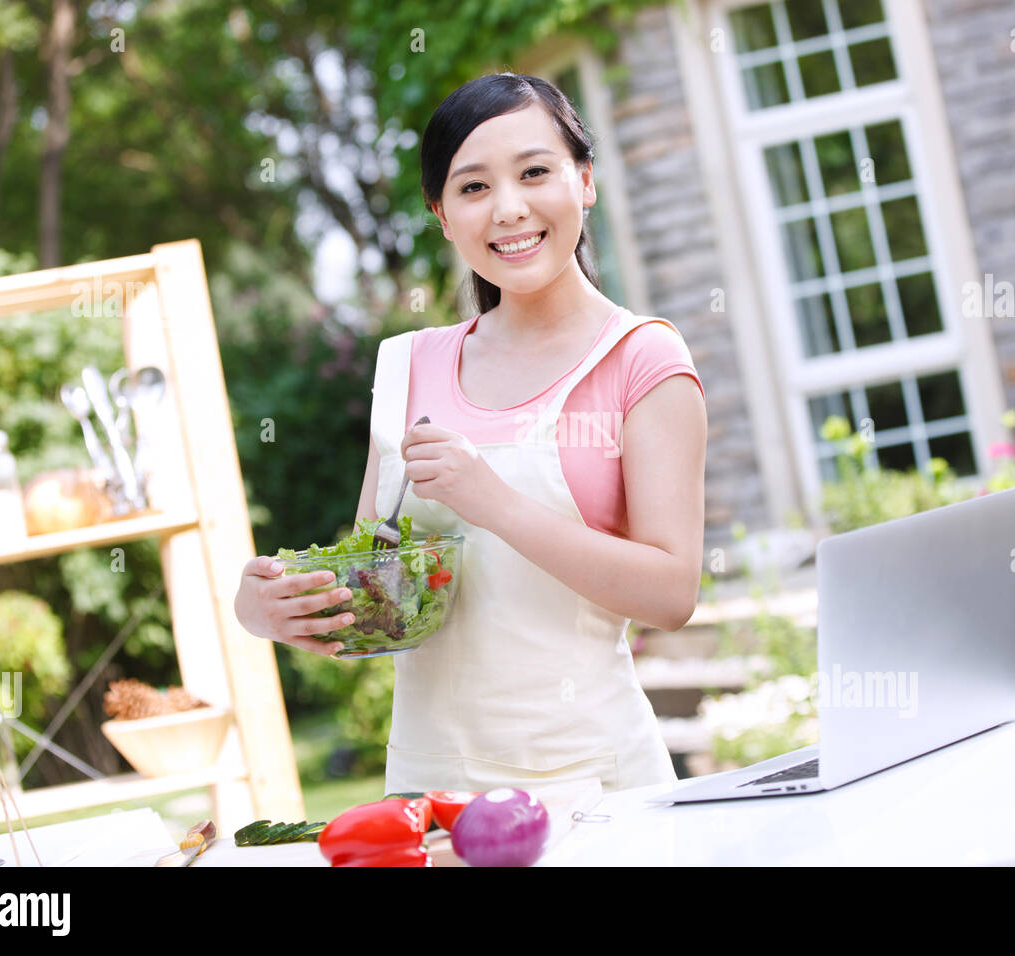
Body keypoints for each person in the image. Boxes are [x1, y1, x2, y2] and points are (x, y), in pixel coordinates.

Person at [235, 72, 707, 795]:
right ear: (442, 215)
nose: (509, 209)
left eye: (535, 172)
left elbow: (672, 593)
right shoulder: (405, 367)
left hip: (597, 786)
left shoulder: (642, 359)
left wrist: (494, 502)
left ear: (585, 181)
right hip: (432, 792)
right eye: (474, 187)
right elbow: (376, 594)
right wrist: (276, 610)